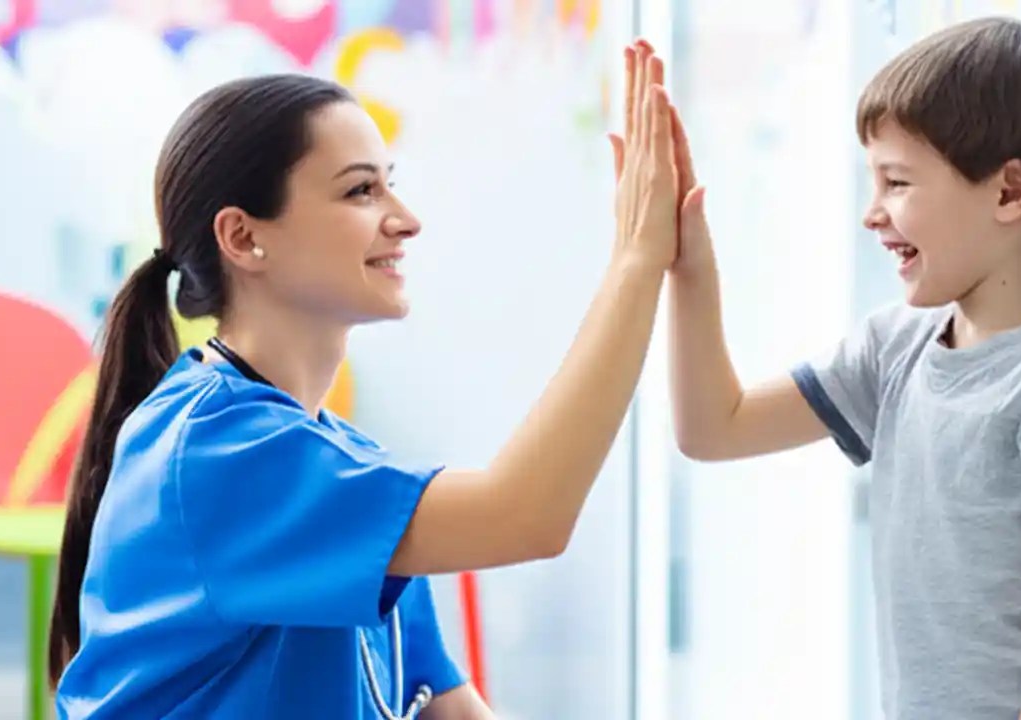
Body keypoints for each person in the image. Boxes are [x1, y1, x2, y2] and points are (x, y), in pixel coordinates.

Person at [50, 41, 679, 719]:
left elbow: (449, 706)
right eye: (360, 190)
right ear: (242, 237)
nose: (406, 220)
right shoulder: (216, 450)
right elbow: (526, 516)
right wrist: (636, 263)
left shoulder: (340, 469)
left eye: (390, 182)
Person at [667, 17, 1021, 720]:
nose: (872, 214)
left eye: (896, 182)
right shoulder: (896, 348)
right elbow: (714, 428)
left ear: (1011, 191)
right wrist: (690, 268)